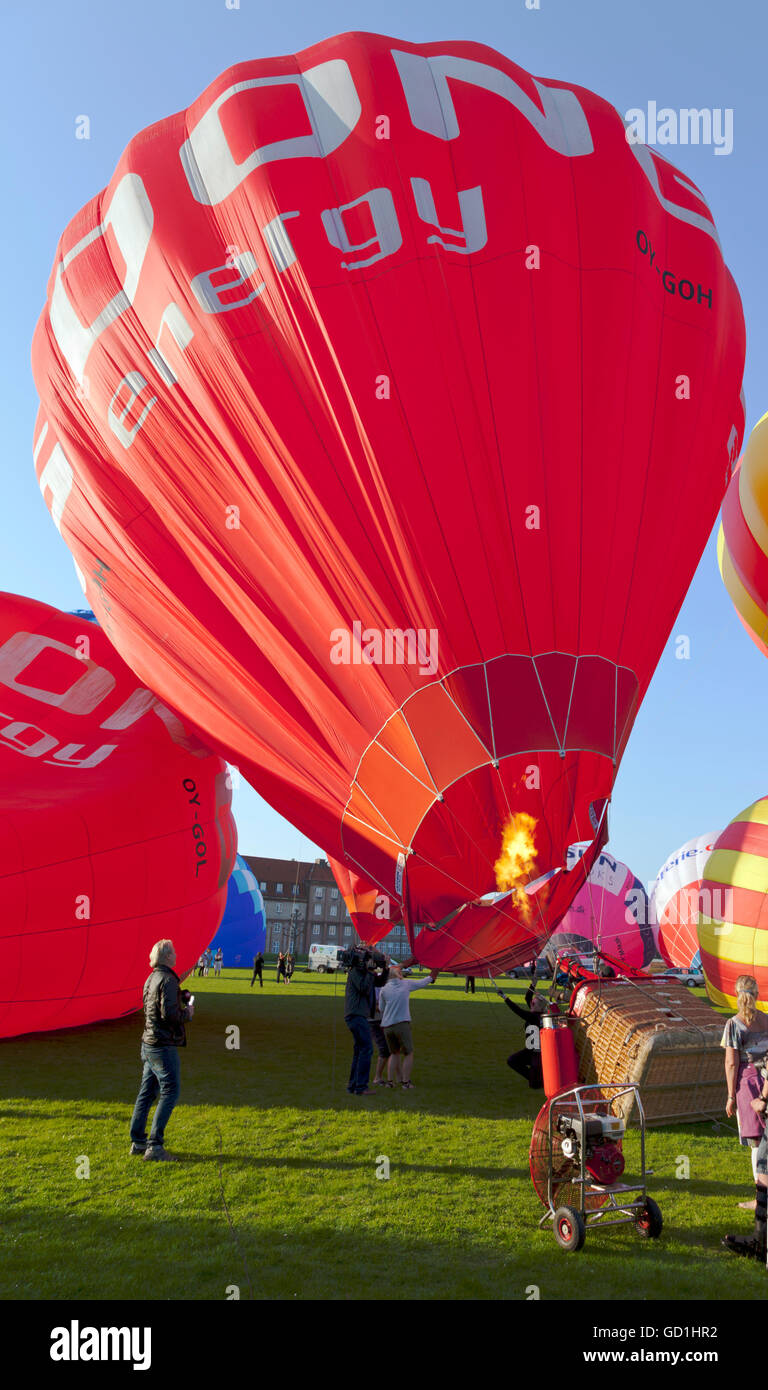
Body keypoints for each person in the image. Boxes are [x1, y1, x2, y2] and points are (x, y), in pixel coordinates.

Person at [129, 938, 194, 1162]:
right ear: (167, 956)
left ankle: (138, 1141)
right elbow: (169, 1014)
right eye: (174, 952)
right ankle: (155, 1146)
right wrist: (188, 1013)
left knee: (146, 1093)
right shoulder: (167, 979)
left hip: (147, 1043)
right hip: (162, 1045)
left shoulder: (152, 978)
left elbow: (153, 1006)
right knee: (170, 1090)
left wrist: (179, 995)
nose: (176, 955)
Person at [721, 975, 768, 1205]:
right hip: (767, 1079)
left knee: (756, 1142)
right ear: (757, 995)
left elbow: (731, 1063)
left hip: (748, 1084)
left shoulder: (733, 1024)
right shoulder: (767, 1020)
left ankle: (761, 1198)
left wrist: (730, 1096)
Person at [723, 1040, 768, 1261]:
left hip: (756, 1087)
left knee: (762, 1157)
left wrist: (762, 1098)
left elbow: (731, 1062)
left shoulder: (736, 1026)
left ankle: (760, 1242)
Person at [379, 963, 438, 1089]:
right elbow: (422, 983)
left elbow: (381, 1008)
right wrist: (433, 974)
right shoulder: (405, 984)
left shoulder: (384, 989)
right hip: (402, 1024)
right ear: (399, 975)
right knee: (408, 1053)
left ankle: (390, 1082)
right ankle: (406, 1082)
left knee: (394, 1053)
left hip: (387, 1026)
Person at [344, 949, 389, 1095]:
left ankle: (353, 1086)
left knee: (359, 1050)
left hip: (359, 1015)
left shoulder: (364, 973)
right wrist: (370, 970)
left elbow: (380, 982)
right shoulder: (355, 972)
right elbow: (364, 988)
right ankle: (361, 1087)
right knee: (366, 1049)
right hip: (356, 1015)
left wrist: (385, 968)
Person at [496, 980, 551, 1089]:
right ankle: (533, 1076)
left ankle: (537, 1078)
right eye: (531, 1002)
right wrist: (533, 984)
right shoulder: (534, 1013)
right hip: (529, 1050)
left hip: (537, 1053)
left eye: (533, 1003)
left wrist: (505, 997)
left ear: (539, 1007)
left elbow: (518, 1011)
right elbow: (527, 997)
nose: (531, 1003)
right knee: (512, 1061)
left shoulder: (535, 1017)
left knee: (535, 1085)